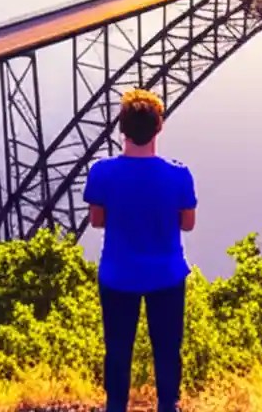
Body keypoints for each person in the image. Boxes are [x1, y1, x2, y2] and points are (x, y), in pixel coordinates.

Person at [83, 88, 197, 412]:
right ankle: (167, 406)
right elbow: (187, 224)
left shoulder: (102, 172)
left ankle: (116, 406)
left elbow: (97, 220)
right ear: (159, 127)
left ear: (122, 128)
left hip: (118, 276)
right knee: (167, 349)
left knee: (118, 350)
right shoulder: (179, 174)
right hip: (167, 276)